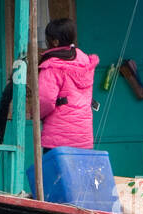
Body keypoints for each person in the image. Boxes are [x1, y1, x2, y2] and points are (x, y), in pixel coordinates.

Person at [38, 17, 100, 150]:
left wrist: (36, 113)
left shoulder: (53, 65)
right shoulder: (84, 60)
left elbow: (45, 100)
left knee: (55, 171)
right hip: (83, 136)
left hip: (58, 138)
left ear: (55, 42)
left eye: (47, 39)